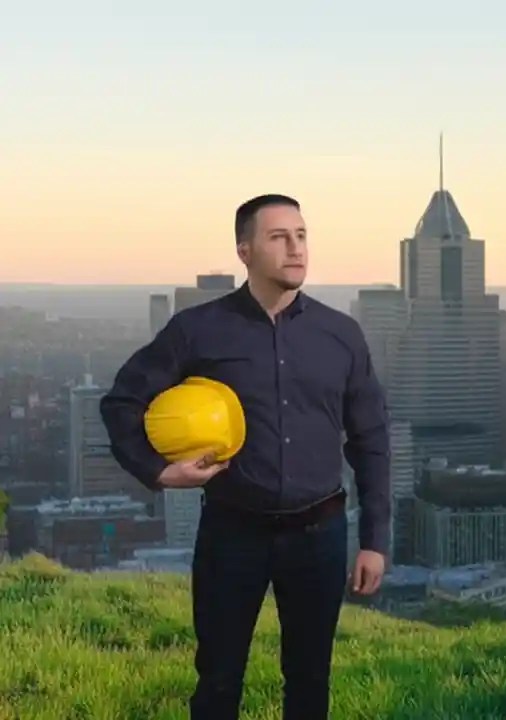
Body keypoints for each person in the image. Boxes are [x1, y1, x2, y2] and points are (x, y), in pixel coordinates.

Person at [100, 194, 391, 720]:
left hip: (320, 535)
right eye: (279, 237)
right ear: (245, 250)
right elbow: (121, 402)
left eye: (301, 235)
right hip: (233, 534)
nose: (296, 248)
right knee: (217, 681)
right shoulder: (198, 330)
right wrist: (159, 471)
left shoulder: (341, 335)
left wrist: (374, 541)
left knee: (309, 682)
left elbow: (370, 439)